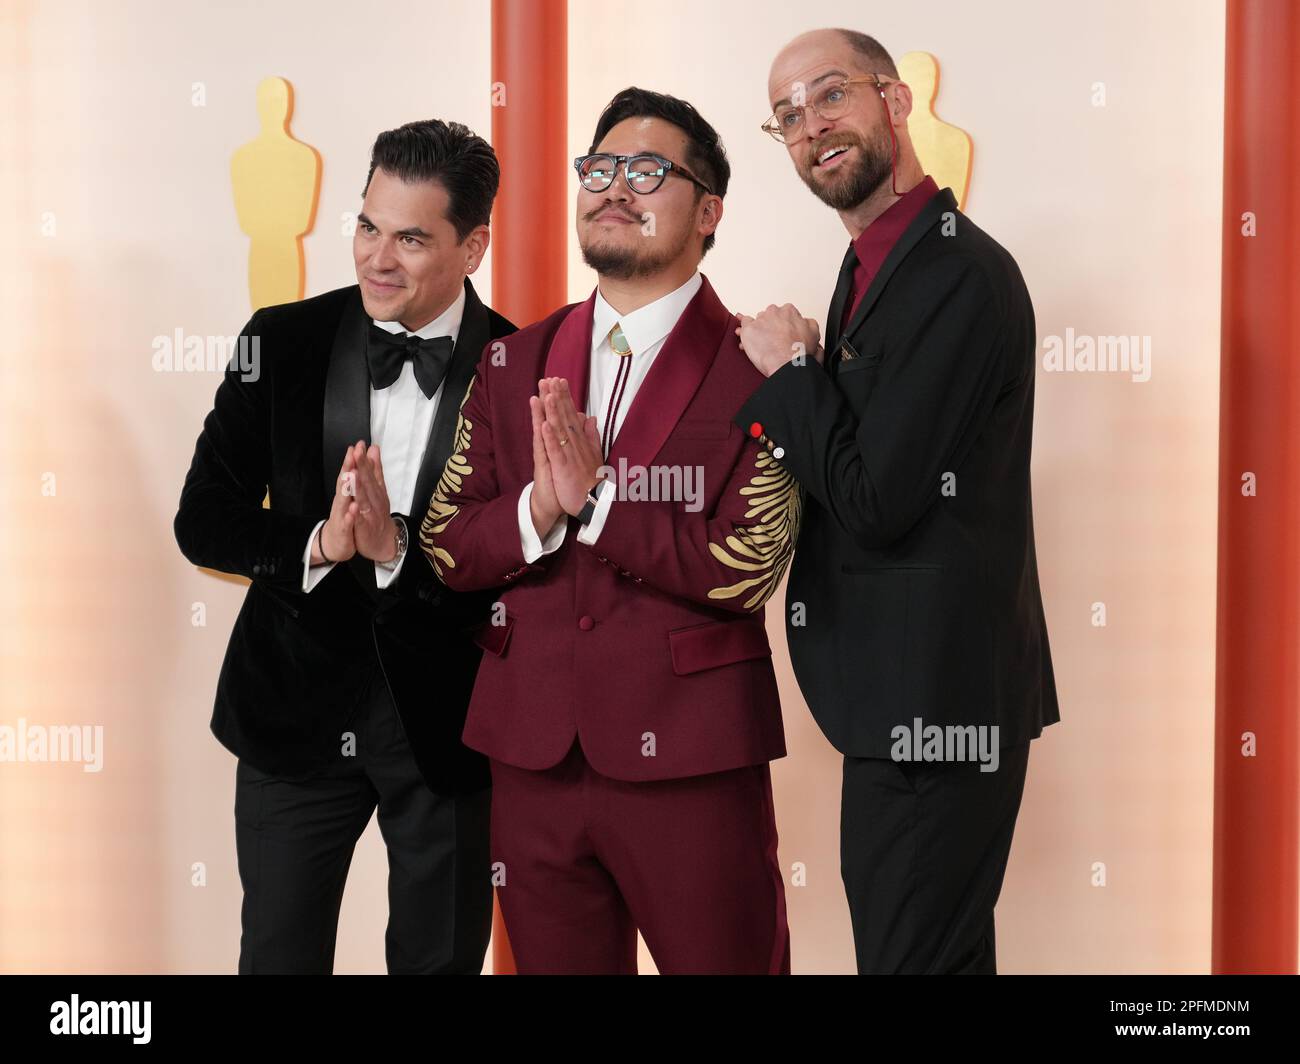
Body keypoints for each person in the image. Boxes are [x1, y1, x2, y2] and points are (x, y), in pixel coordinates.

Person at [421, 88, 798, 975]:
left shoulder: (765, 365)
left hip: (694, 762)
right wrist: (540, 511)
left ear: (709, 211)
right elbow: (447, 540)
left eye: (648, 171)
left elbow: (745, 566)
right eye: (599, 169)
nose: (613, 188)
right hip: (532, 760)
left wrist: (595, 504)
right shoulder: (513, 358)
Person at [736, 28, 1059, 974]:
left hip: (936, 704)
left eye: (829, 96)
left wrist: (796, 371)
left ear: (896, 99)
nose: (810, 128)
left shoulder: (954, 271)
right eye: (787, 116)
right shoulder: (877, 263)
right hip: (904, 701)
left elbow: (876, 498)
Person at [174, 120, 515, 974]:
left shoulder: (521, 364)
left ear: (473, 246)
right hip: (291, 713)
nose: (377, 258)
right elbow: (204, 518)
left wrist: (397, 547)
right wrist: (322, 542)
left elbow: (526, 561)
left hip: (449, 727)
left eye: (410, 237)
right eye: (368, 226)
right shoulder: (279, 340)